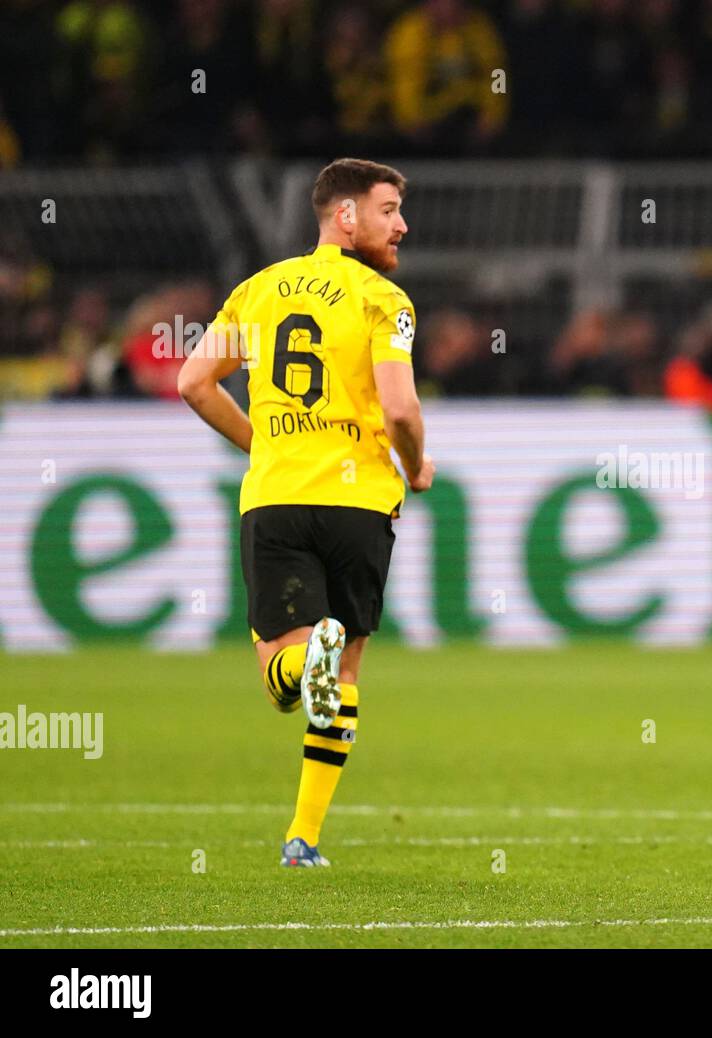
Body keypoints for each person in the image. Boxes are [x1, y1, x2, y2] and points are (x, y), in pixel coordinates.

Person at [176, 158, 434, 868]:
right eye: (389, 210)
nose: (402, 224)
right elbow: (402, 408)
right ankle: (303, 837)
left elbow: (194, 382)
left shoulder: (257, 291)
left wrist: (261, 442)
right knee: (344, 677)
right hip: (359, 506)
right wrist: (415, 466)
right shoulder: (386, 300)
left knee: (283, 678)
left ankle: (299, 666)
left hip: (279, 497)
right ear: (346, 216)